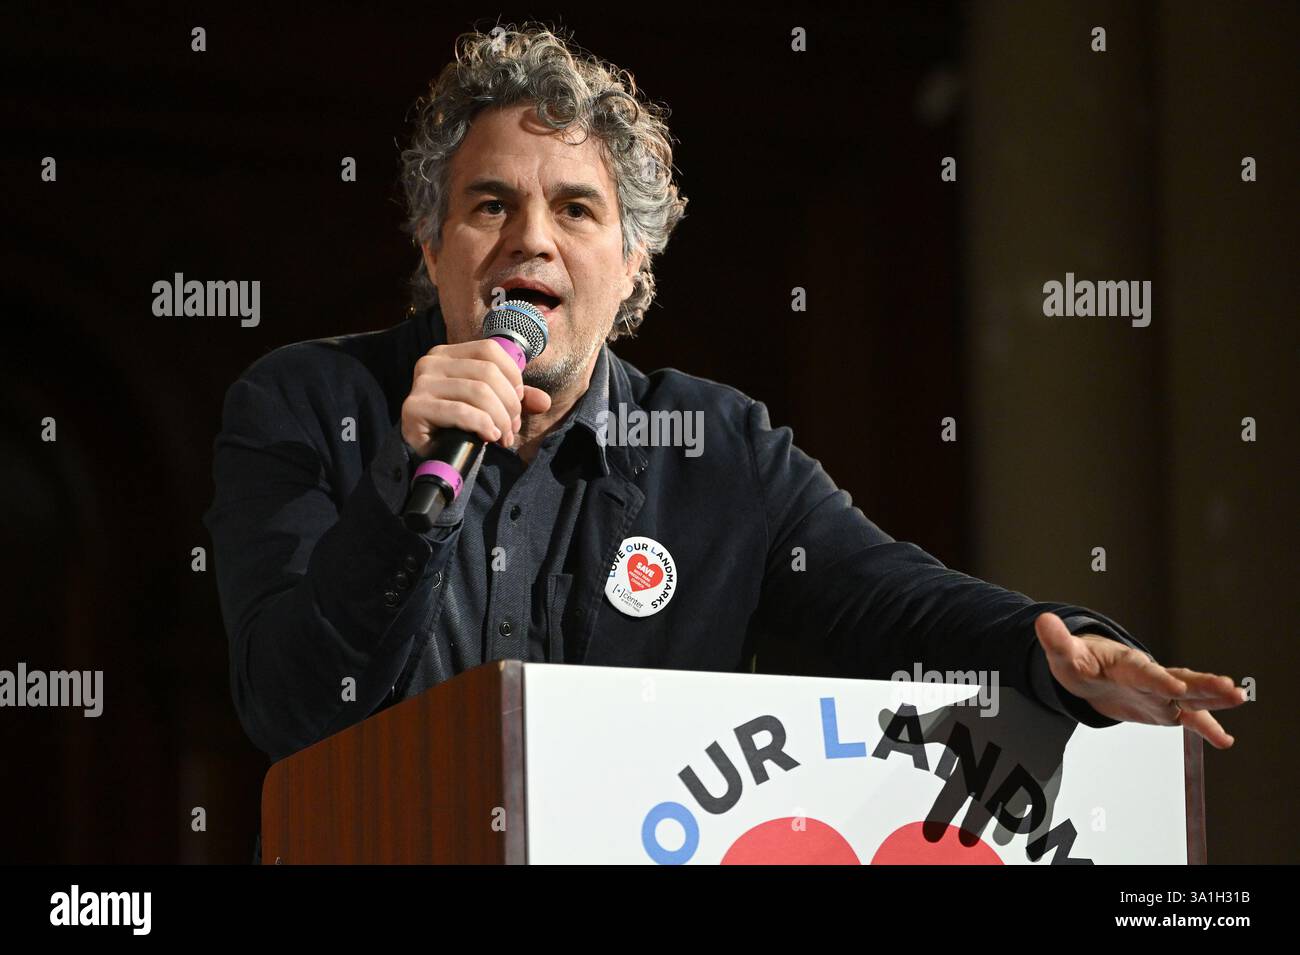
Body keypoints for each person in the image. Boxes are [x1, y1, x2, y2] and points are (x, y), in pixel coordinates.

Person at [202, 24, 1245, 778]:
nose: (531, 238)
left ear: (628, 264)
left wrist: (1055, 650)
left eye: (575, 208)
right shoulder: (304, 405)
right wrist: (403, 485)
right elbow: (291, 705)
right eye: (489, 204)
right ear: (434, 252)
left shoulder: (717, 449)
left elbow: (890, 600)